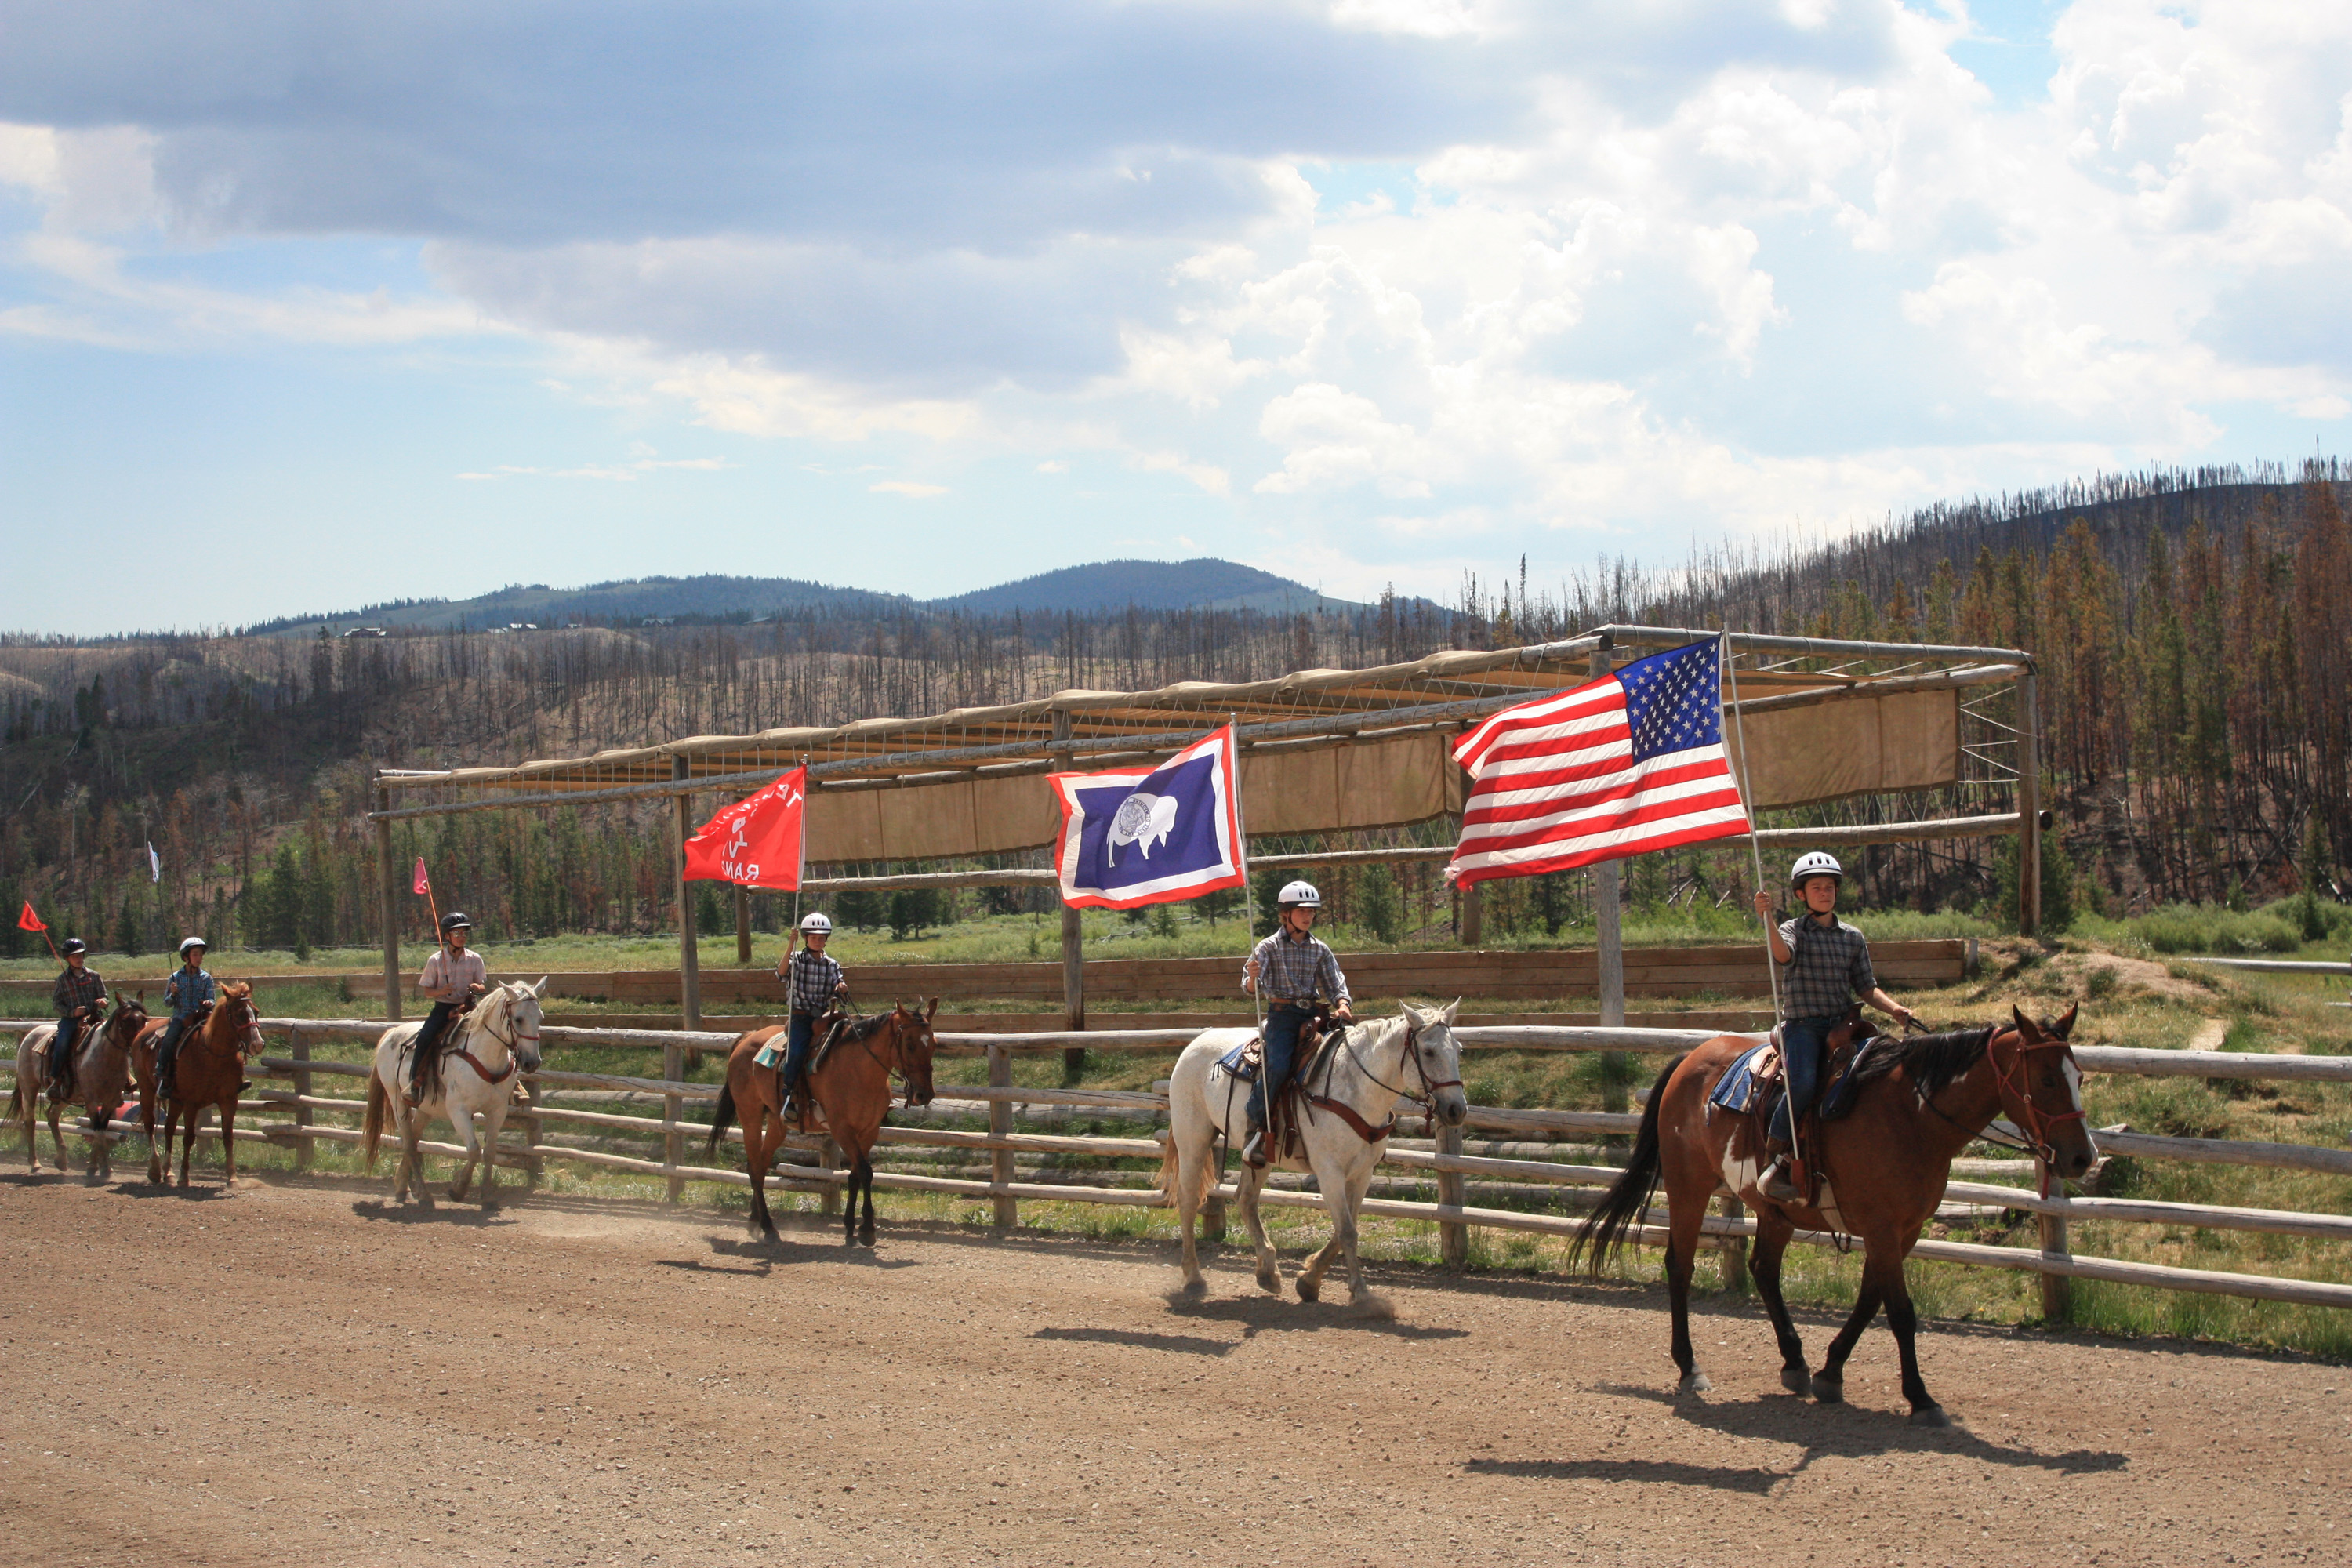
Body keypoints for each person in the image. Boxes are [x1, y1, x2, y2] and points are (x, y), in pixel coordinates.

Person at [1751, 851, 1918, 1203]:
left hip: (1844, 1026)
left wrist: (1895, 1008)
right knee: (1804, 1085)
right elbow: (1782, 955)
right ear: (1801, 894)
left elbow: (1866, 986)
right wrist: (1766, 918)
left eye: (1829, 887)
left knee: (1878, 1080)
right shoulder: (1791, 930)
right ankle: (1775, 1158)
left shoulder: (1852, 937)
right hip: (1803, 1028)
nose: (1824, 893)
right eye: (1816, 887)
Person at [1238, 880, 1353, 1169]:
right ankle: (1254, 1125)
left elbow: (1334, 982)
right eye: (1301, 911)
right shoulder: (1268, 947)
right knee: (1277, 1065)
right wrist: (1252, 977)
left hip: (1314, 1013)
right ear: (1286, 914)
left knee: (1350, 1055)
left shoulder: (1320, 949)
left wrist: (1342, 1004)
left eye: (1311, 912)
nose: (1308, 917)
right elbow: (1248, 988)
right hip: (1283, 1016)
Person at [775, 912, 848, 1120]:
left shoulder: (832, 964)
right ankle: (788, 1095)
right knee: (797, 1052)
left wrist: (841, 987)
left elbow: (837, 983)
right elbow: (780, 974)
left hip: (823, 1017)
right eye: (813, 937)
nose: (818, 941)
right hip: (801, 1017)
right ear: (805, 938)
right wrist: (791, 944)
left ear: (826, 939)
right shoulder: (795, 960)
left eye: (822, 937)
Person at [412, 913, 488, 1100]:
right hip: (444, 1009)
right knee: (424, 1038)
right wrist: (441, 990)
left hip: (469, 1007)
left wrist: (477, 987)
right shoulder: (435, 961)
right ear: (447, 936)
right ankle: (415, 1082)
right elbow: (428, 992)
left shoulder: (475, 958)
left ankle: (513, 1083)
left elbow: (482, 984)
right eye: (457, 933)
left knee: (498, 1032)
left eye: (464, 933)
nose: (462, 937)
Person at [154, 936, 216, 1098]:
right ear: (186, 957)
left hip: (202, 1017)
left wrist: (208, 1003)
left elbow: (212, 1000)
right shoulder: (175, 978)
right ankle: (162, 1073)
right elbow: (167, 1003)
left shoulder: (207, 978)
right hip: (181, 1018)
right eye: (195, 954)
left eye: (201, 955)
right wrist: (173, 994)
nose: (199, 958)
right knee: (169, 1039)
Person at [49, 937, 107, 1101]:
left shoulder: (94, 976)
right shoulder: (62, 979)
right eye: (75, 956)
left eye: (81, 955)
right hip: (71, 1020)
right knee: (63, 1041)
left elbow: (104, 995)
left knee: (115, 1037)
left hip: (94, 1018)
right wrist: (72, 1012)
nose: (79, 959)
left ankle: (124, 1076)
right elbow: (56, 1004)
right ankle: (56, 1078)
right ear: (67, 959)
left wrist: (103, 1002)